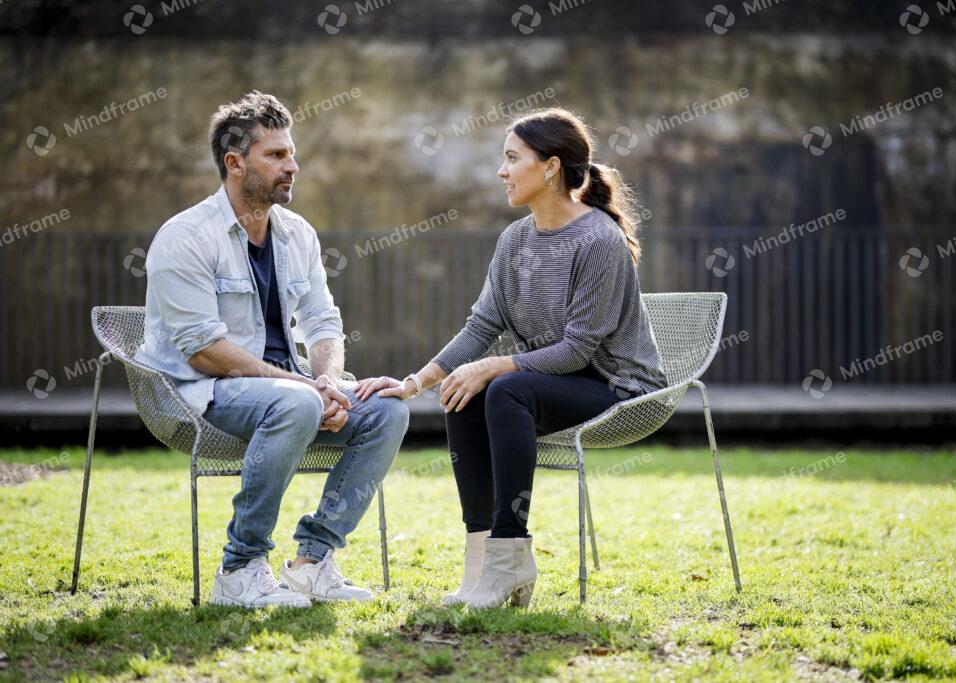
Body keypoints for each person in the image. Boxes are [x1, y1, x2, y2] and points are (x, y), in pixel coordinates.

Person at [355, 108, 667, 609]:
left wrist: (495, 366)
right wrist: (415, 383)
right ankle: (482, 565)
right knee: (464, 393)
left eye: (512, 158)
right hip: (555, 383)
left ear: (550, 167)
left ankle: (510, 556)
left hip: (619, 387)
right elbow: (482, 326)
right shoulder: (515, 240)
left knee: (503, 386)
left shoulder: (599, 240)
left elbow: (579, 350)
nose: (501, 171)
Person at [136, 91, 409, 609]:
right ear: (235, 163)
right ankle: (239, 569)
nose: (293, 166)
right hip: (201, 394)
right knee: (297, 402)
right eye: (276, 155)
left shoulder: (296, 234)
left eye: (292, 153)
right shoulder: (185, 237)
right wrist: (303, 387)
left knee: (388, 408)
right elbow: (203, 351)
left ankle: (312, 562)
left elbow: (323, 321)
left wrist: (327, 380)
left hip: (290, 390)